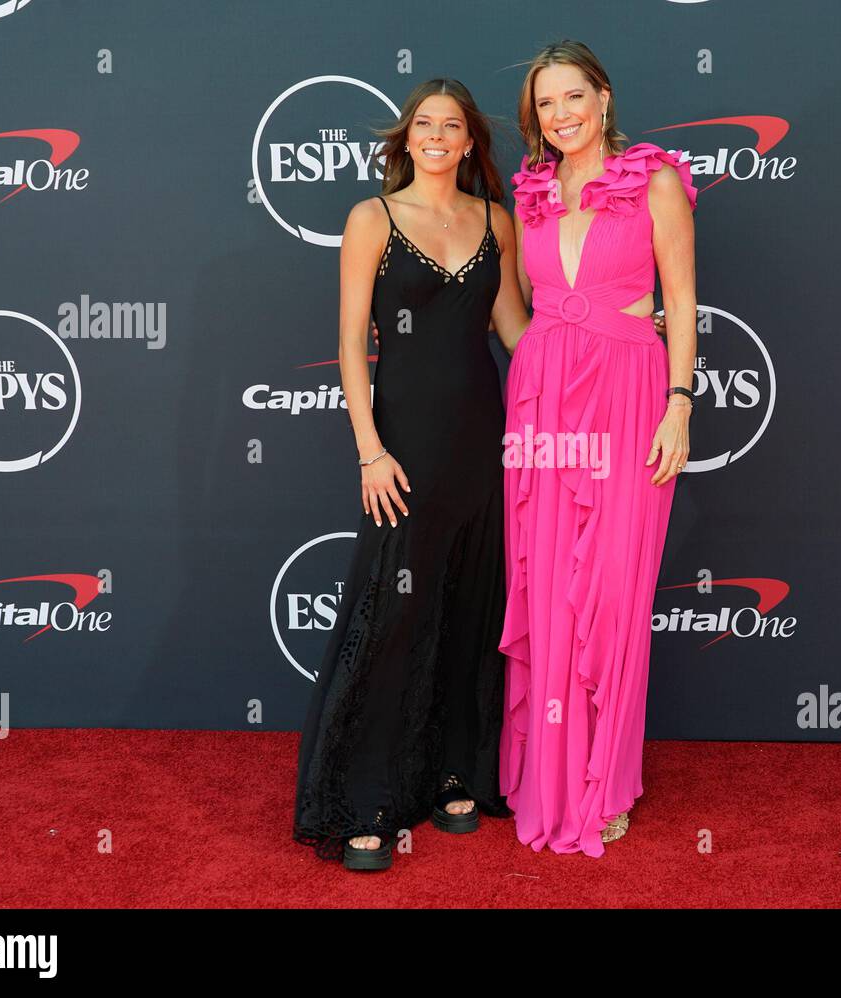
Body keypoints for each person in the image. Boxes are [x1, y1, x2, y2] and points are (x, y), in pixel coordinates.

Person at [293, 79, 531, 871]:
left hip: (482, 443)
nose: (435, 135)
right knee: (391, 616)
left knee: (470, 605)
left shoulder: (498, 222)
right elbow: (352, 344)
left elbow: (517, 334)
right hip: (400, 448)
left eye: (450, 125)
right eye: (423, 124)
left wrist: (610, 329)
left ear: (470, 142)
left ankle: (455, 771)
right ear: (407, 138)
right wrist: (370, 448)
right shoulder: (373, 218)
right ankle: (365, 799)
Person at [498, 40, 699, 857]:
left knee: (612, 595)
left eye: (573, 95)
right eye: (546, 103)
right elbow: (514, 307)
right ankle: (549, 775)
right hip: (543, 405)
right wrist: (536, 366)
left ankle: (606, 782)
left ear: (604, 97)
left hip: (629, 394)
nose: (562, 114)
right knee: (547, 589)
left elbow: (681, 303)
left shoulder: (655, 180)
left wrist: (679, 406)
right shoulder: (531, 194)